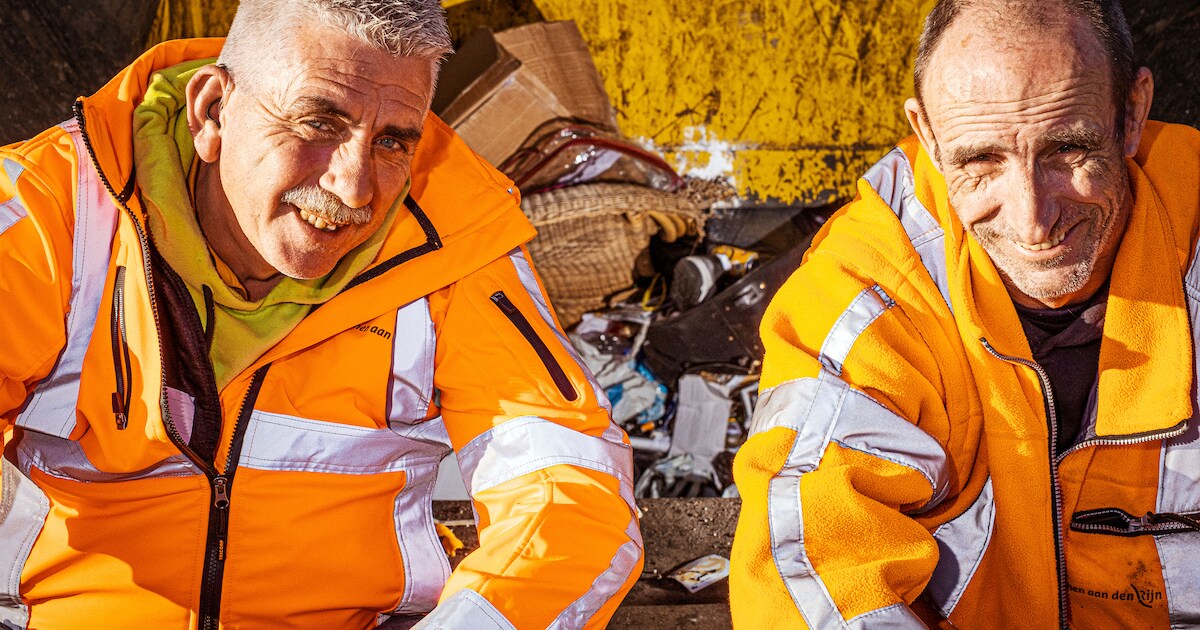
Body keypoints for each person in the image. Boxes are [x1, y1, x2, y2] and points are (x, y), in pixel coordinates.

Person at [0, 1, 643, 628]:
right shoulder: (53, 211)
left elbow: (569, 484)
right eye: (319, 123)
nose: (354, 187)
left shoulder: (452, 240)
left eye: (392, 141)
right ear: (211, 112)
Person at [730, 0, 1200, 627]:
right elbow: (812, 570)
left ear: (1132, 114)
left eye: (1067, 151)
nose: (1032, 218)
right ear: (927, 134)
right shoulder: (866, 297)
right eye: (981, 163)